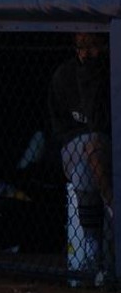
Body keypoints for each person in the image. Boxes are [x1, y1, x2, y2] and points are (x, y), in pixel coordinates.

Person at [47, 32, 113, 269]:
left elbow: (99, 122)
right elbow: (60, 129)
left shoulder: (110, 71)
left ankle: (96, 242)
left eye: (93, 46)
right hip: (76, 148)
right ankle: (94, 244)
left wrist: (91, 76)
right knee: (87, 155)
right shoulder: (64, 75)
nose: (86, 53)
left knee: (94, 144)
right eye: (81, 47)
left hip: (107, 146)